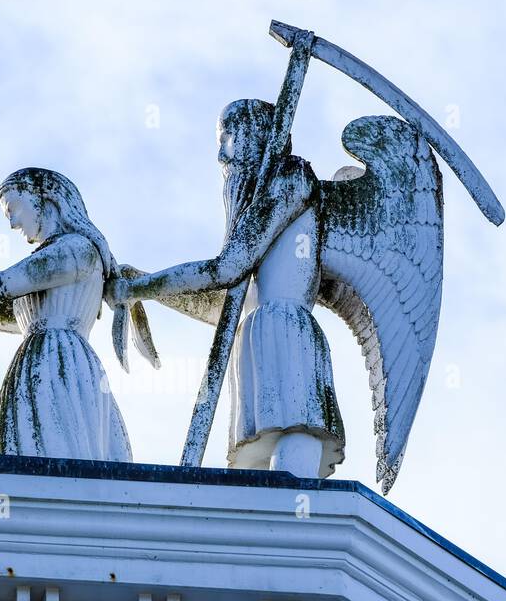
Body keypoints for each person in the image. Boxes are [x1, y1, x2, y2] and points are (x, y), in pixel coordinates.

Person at [110, 99, 345, 478]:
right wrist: (147, 286)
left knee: (294, 429)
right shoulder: (254, 193)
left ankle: (294, 517)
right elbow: (223, 303)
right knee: (257, 452)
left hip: (285, 327)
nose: (221, 153)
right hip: (252, 333)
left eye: (228, 137)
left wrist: (142, 286)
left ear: (254, 135)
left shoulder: (292, 177)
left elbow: (227, 268)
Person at [0, 168, 132, 462]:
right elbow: (9, 314)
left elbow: (2, 284)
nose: (12, 223)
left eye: (13, 208)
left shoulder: (76, 249)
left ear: (42, 196)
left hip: (59, 361)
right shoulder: (52, 256)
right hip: (37, 359)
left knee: (60, 453)